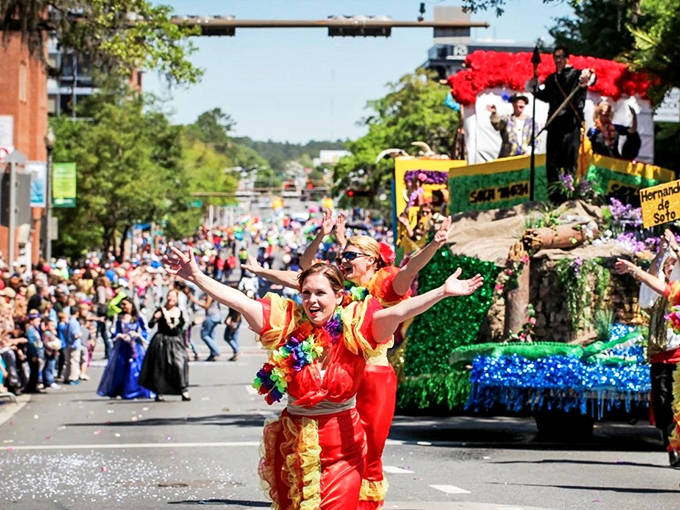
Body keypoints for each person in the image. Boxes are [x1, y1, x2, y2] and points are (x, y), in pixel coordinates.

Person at [164, 245, 483, 510]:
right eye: (306, 293)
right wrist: (196, 276)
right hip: (293, 440)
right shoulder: (287, 324)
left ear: (339, 295)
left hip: (342, 447)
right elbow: (239, 301)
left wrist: (442, 291)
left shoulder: (357, 328)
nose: (312, 300)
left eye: (320, 293)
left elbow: (398, 312)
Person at [246, 216, 454, 508]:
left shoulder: (383, 285)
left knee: (368, 451)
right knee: (340, 448)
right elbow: (303, 272)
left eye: (350, 255)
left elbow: (412, 268)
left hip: (373, 376)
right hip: (340, 372)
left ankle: (361, 502)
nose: (342, 259)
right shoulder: (335, 290)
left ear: (371, 260)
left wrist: (434, 243)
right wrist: (268, 268)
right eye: (342, 254)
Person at [614, 242, 680, 468]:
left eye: (674, 265)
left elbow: (666, 288)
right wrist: (661, 253)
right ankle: (671, 445)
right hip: (660, 356)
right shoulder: (660, 290)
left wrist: (636, 270)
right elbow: (655, 282)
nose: (670, 268)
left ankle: (676, 448)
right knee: (663, 405)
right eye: (667, 266)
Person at [527, 46, 595, 200]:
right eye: (555, 57)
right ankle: (554, 199)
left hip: (571, 126)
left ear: (567, 58)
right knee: (552, 164)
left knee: (569, 163)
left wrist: (588, 75)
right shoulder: (552, 79)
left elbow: (591, 77)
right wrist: (533, 87)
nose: (557, 60)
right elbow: (545, 96)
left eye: (560, 57)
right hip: (554, 126)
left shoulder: (577, 75)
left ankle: (569, 198)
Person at [138, 289, 190, 402]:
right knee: (160, 367)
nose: (171, 299)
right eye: (169, 296)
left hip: (175, 341)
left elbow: (181, 328)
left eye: (173, 297)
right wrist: (155, 318)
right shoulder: (161, 310)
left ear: (177, 300)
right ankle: (159, 391)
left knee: (180, 364)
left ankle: (183, 390)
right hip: (161, 341)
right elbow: (150, 325)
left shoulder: (179, 311)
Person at [97, 297, 153, 399]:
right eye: (122, 305)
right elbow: (114, 331)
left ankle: (136, 390)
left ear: (131, 305)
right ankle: (122, 390)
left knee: (136, 367)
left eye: (125, 304)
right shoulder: (119, 317)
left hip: (135, 346)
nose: (123, 307)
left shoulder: (138, 317)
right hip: (122, 346)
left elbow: (145, 331)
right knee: (121, 367)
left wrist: (137, 334)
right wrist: (120, 335)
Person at [487, 94, 538, 158]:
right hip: (508, 157)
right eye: (519, 101)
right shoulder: (507, 119)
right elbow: (497, 125)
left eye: (523, 102)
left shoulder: (531, 122)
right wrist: (494, 113)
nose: (521, 103)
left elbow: (536, 139)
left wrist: (530, 151)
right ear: (513, 104)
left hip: (526, 157)